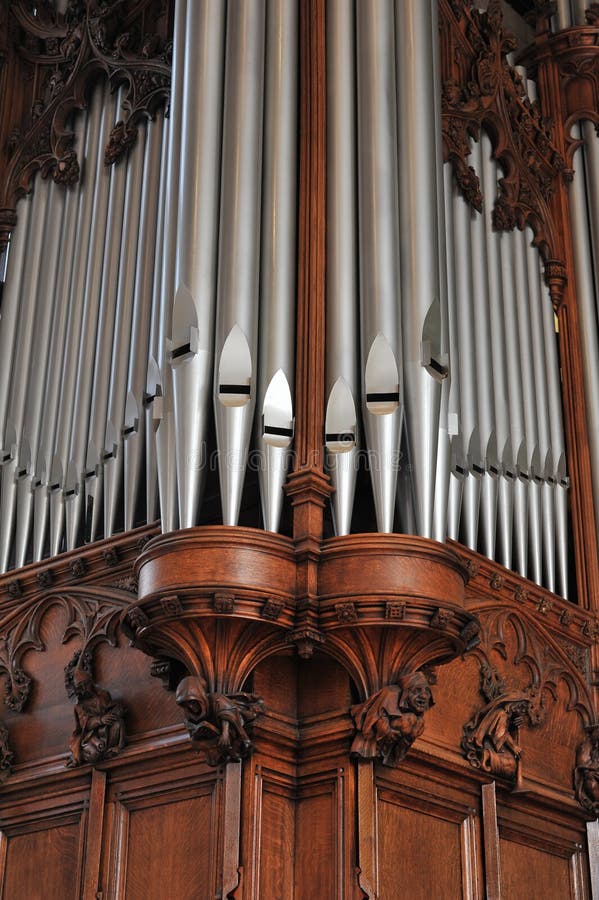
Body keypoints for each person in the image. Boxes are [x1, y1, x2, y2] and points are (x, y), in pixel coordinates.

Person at [350, 671, 434, 767]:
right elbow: (373, 717)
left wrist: (407, 738)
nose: (424, 696)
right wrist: (388, 731)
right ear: (406, 692)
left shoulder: (417, 715)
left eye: (427, 692)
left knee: (416, 721)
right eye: (417, 690)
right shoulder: (390, 694)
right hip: (370, 740)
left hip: (389, 748)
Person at [67, 669, 125, 767]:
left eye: (85, 684)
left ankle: (118, 746)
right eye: (79, 687)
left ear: (90, 682)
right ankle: (90, 753)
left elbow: (110, 706)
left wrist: (116, 711)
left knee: (117, 724)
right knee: (94, 755)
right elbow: (85, 724)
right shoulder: (80, 706)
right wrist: (100, 720)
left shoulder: (102, 695)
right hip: (90, 736)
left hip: (106, 730)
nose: (83, 688)